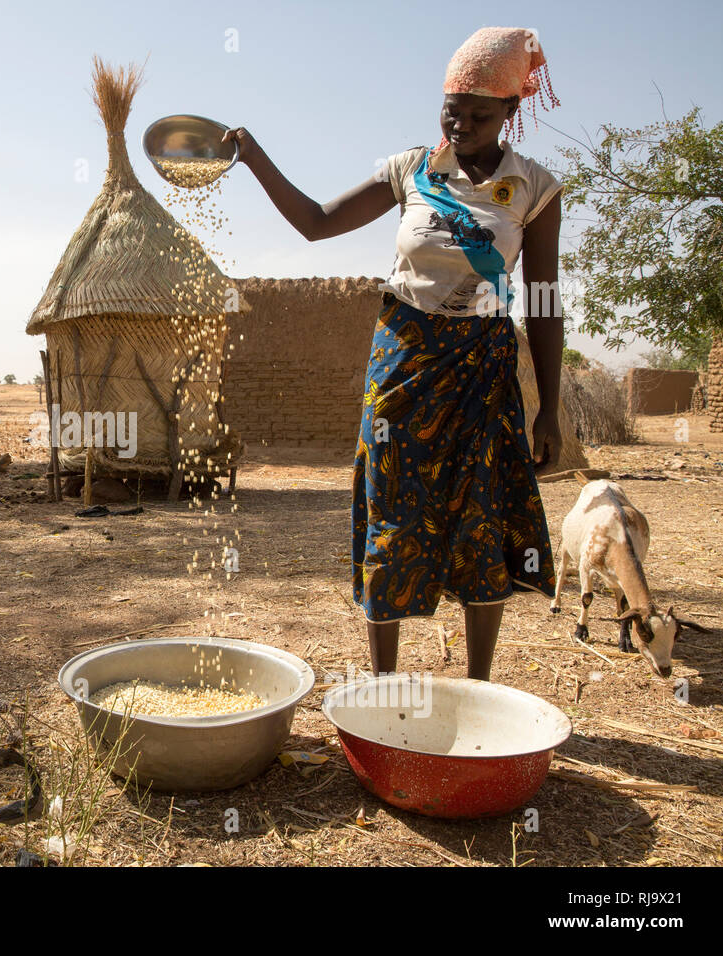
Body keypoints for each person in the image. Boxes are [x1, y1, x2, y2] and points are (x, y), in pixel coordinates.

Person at [224, 27, 564, 681]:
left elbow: (545, 303)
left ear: (510, 115)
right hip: (403, 365)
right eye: (451, 110)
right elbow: (318, 222)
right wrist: (252, 154)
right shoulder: (410, 170)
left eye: (479, 114)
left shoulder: (534, 189)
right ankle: (382, 685)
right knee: (391, 510)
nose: (461, 124)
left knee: (482, 516)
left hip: (484, 368)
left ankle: (479, 689)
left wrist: (548, 406)